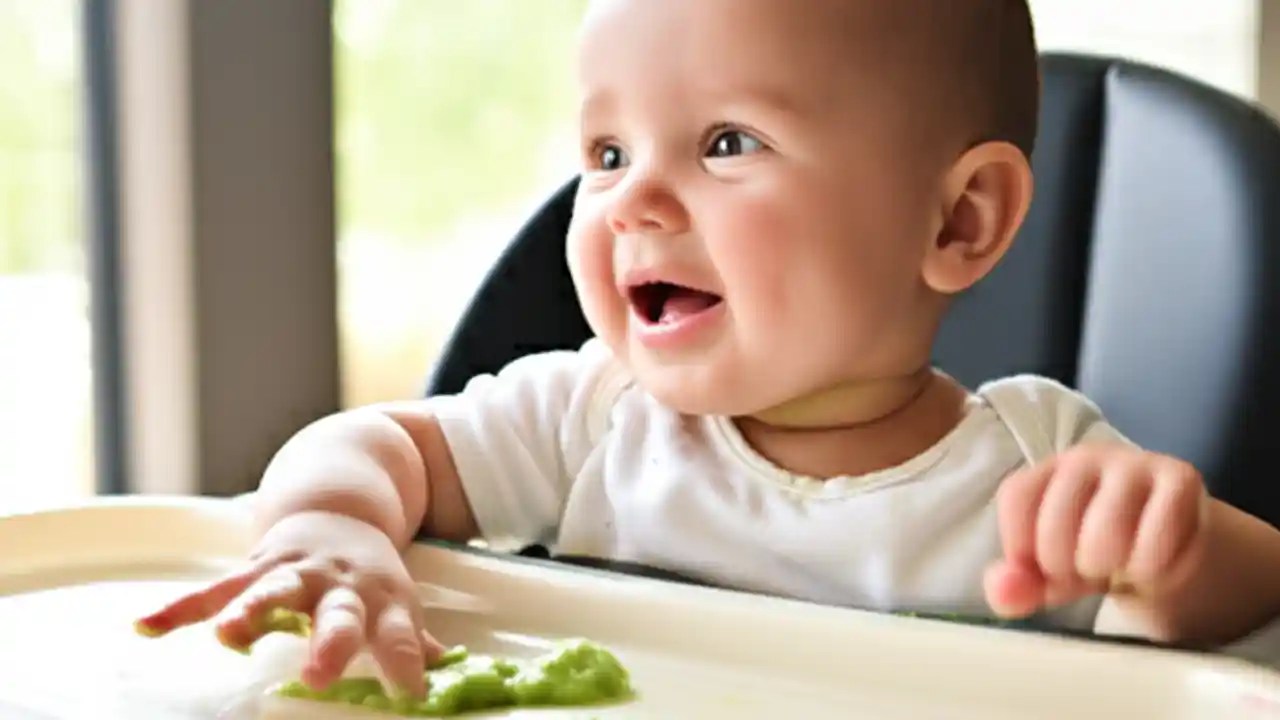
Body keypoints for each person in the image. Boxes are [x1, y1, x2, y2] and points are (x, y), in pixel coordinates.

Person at [136, 0, 1280, 699]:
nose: (631, 200)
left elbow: (1237, 616)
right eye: (604, 151)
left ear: (956, 221)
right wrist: (330, 530)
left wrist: (1168, 555)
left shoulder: (1034, 475)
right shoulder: (589, 424)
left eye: (726, 143)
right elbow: (367, 441)